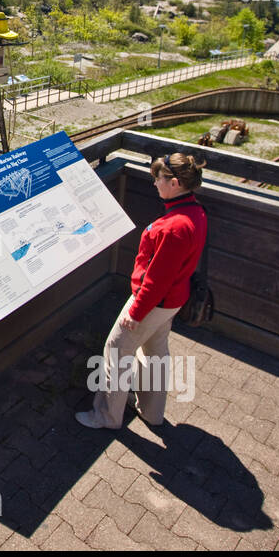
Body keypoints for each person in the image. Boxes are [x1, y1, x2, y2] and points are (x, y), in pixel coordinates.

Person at [76, 151, 207, 429]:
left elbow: (157, 279)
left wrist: (135, 312)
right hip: (172, 301)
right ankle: (152, 412)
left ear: (174, 183)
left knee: (116, 350)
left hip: (153, 302)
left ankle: (107, 416)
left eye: (158, 178)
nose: (155, 183)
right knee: (155, 351)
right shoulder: (194, 211)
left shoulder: (174, 228)